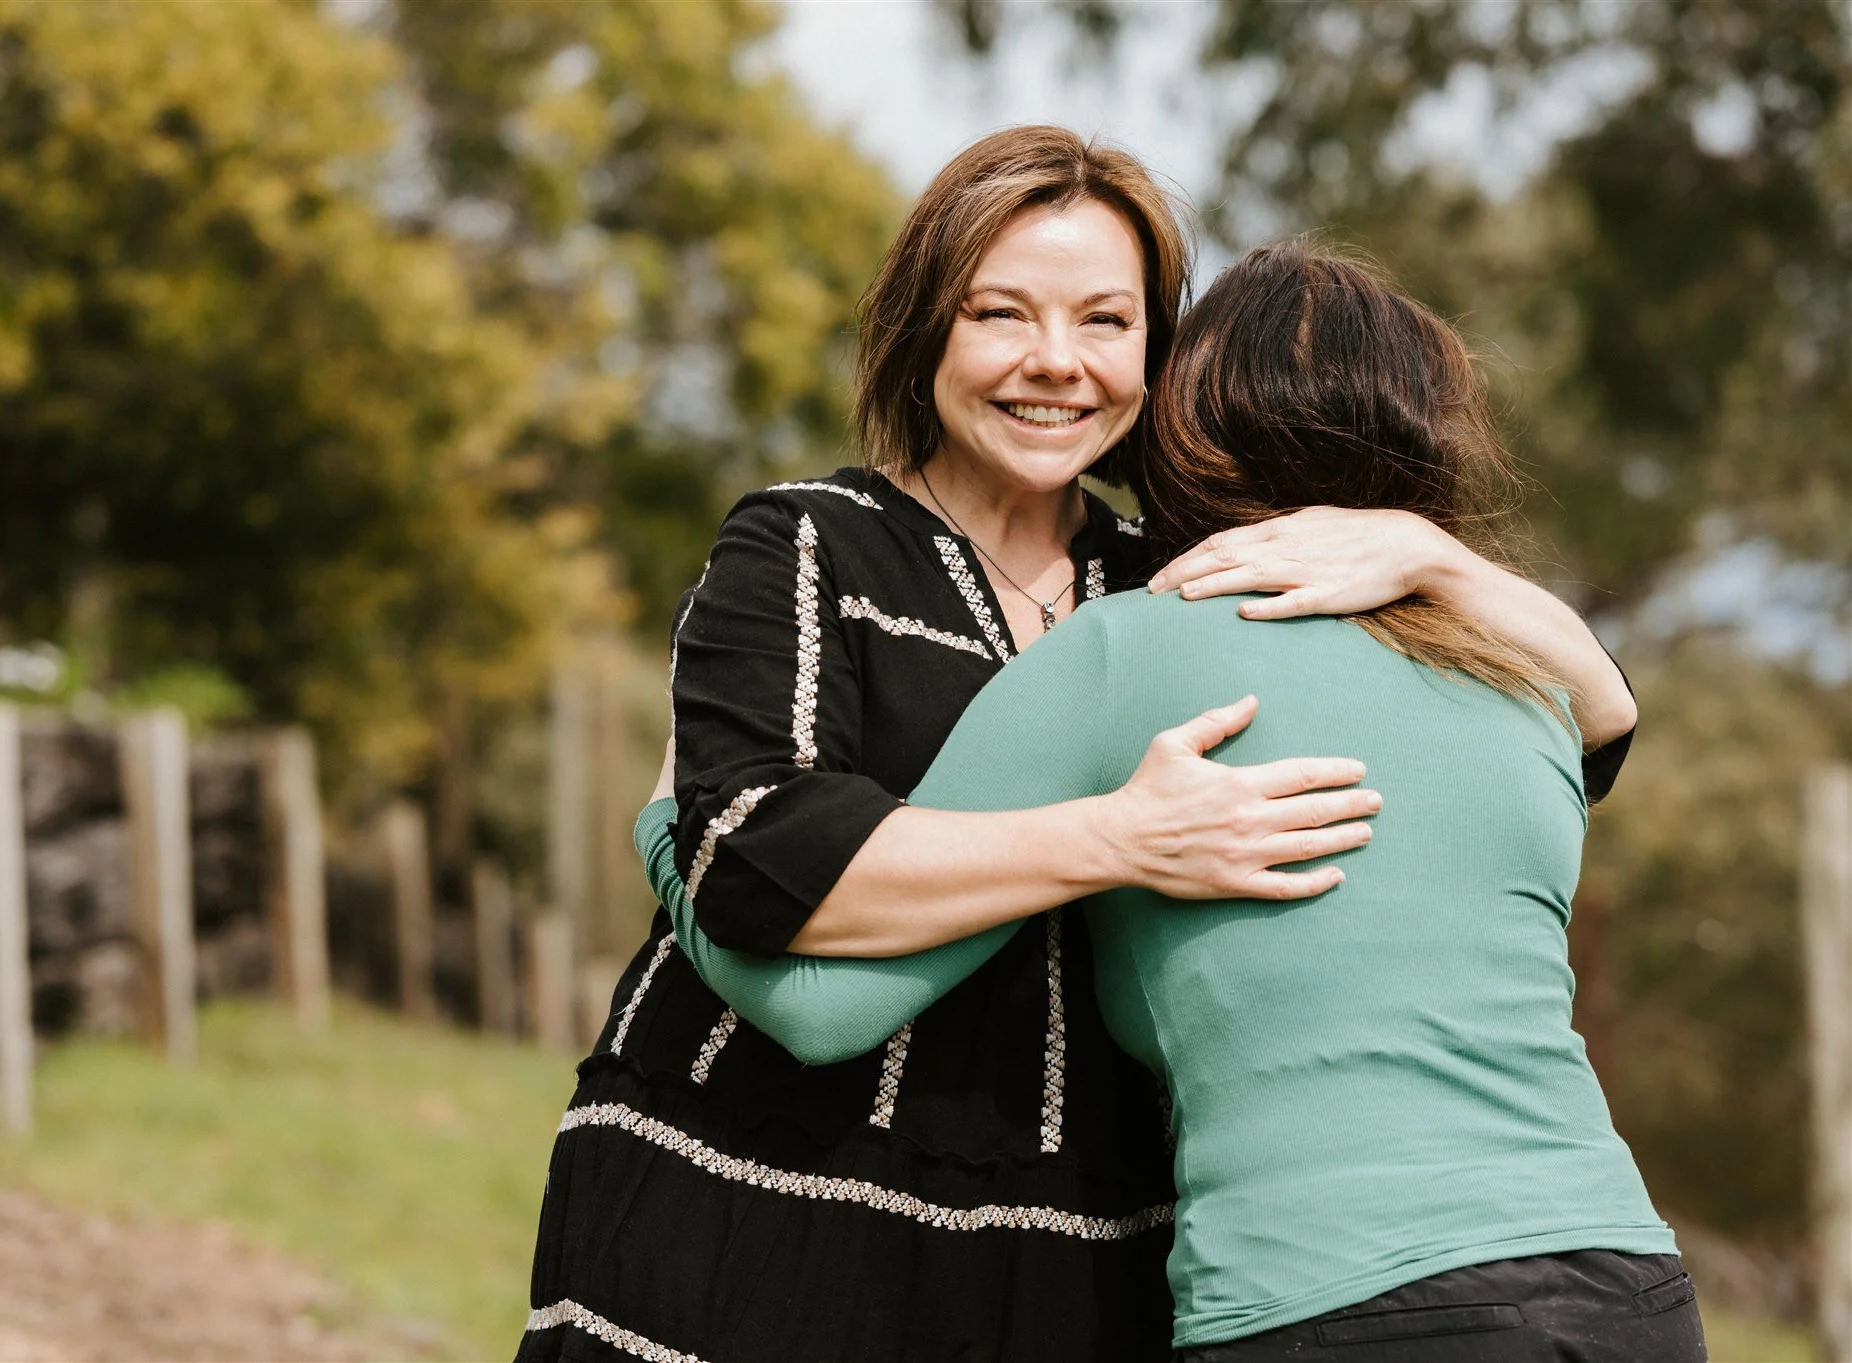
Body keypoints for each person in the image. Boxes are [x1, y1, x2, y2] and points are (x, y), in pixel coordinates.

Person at [520, 126, 1632, 1363]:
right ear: (923, 329)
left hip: (1079, 1247)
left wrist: (1434, 557)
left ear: (1156, 355)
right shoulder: (805, 544)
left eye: (1105, 321)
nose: (1055, 361)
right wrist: (1115, 837)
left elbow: (1554, 741)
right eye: (1000, 313)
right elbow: (753, 862)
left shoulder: (1177, 584)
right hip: (759, 1197)